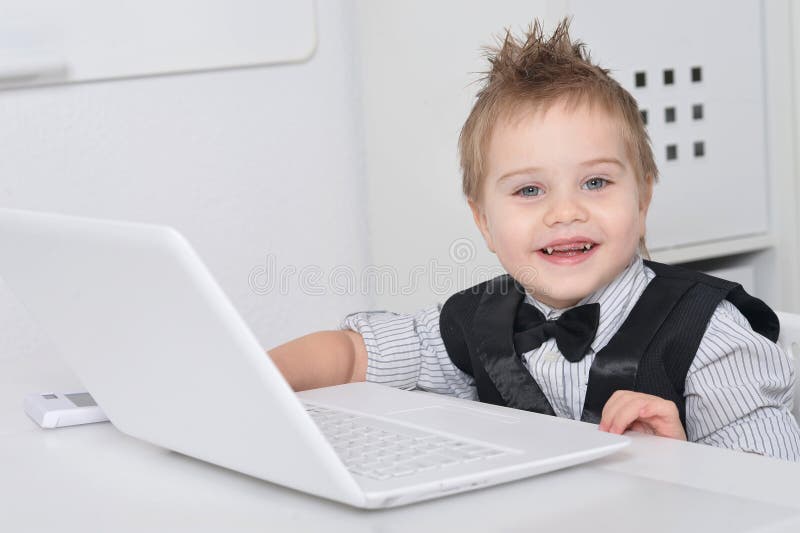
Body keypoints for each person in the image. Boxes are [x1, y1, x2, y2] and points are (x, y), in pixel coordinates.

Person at [269, 19, 800, 461]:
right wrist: (256, 380)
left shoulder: (711, 338)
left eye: (596, 182)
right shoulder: (473, 320)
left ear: (642, 200)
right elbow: (352, 355)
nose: (565, 210)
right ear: (483, 222)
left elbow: (775, 493)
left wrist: (685, 462)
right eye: (529, 189)